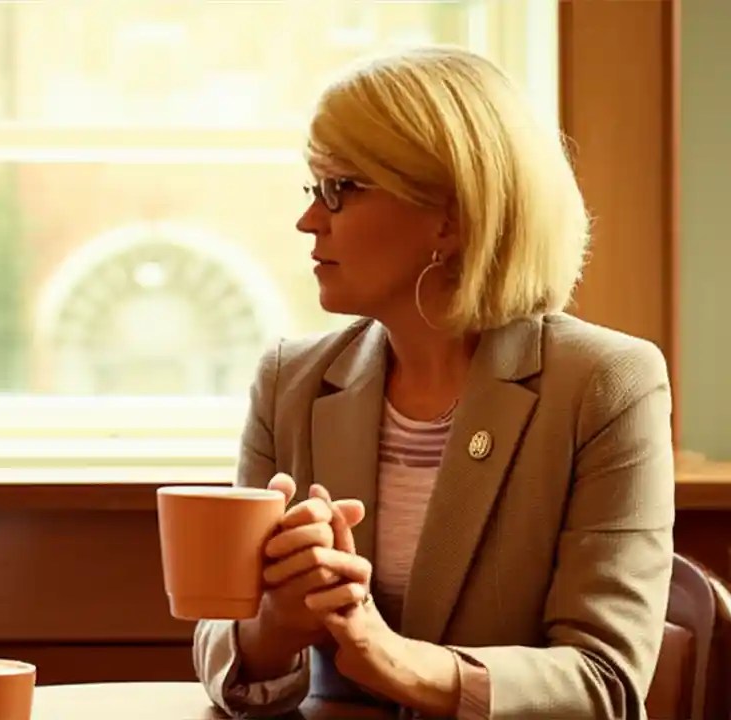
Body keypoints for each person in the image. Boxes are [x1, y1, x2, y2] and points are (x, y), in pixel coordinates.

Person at [193, 46, 674, 719]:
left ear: (448, 218)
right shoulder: (290, 380)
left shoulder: (607, 383)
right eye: (314, 189)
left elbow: (605, 683)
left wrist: (393, 658)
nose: (309, 220)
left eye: (340, 189)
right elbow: (224, 641)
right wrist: (275, 625)